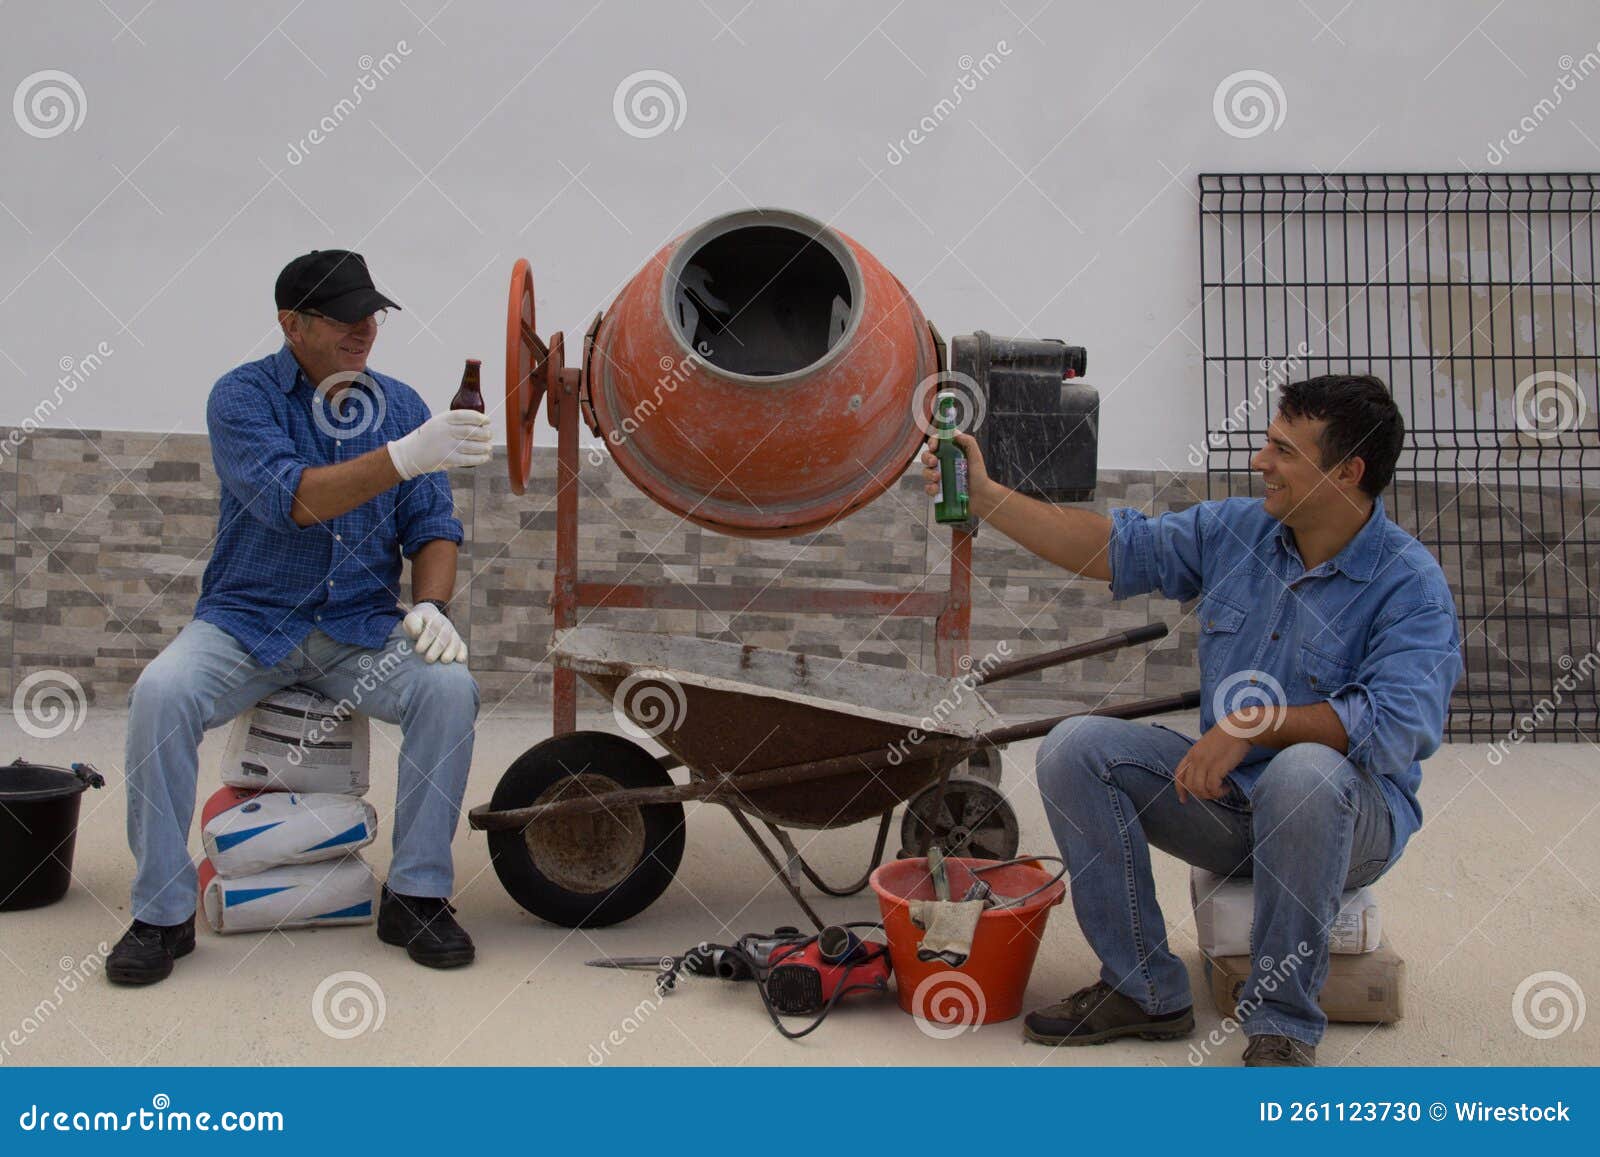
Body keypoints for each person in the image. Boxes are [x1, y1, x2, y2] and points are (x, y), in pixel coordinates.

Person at [921, 374, 1462, 1065]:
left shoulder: (1410, 585)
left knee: (1303, 773)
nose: (1261, 462)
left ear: (1348, 472)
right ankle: (1144, 989)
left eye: (1284, 450)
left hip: (1347, 821)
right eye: (1267, 443)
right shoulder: (1239, 530)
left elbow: (1398, 726)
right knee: (1074, 747)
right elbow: (1112, 548)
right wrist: (985, 494)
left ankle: (1282, 1024)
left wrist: (1252, 724)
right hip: (1231, 806)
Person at [107, 249, 494, 985]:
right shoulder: (242, 398)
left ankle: (416, 896)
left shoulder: (403, 406)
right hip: (248, 623)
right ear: (292, 324)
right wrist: (406, 456)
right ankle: (161, 913)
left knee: (449, 689)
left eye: (371, 314)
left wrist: (432, 606)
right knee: (161, 694)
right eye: (342, 316)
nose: (363, 328)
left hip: (359, 629)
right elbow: (293, 501)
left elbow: (433, 527)